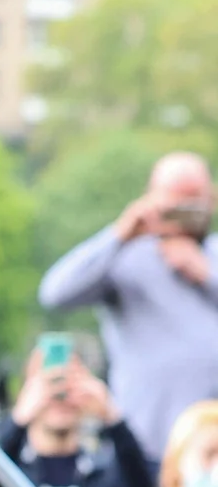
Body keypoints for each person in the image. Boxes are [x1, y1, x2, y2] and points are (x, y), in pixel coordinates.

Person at [38, 151, 218, 470]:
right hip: (140, 449)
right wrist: (120, 234)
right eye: (177, 204)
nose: (185, 215)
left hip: (210, 452)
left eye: (194, 203)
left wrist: (205, 274)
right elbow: (55, 294)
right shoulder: (125, 258)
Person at [0, 341, 150, 487]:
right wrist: (19, 419)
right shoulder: (12, 469)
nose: (60, 394)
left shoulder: (100, 472)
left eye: (71, 382)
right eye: (50, 382)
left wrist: (112, 417)